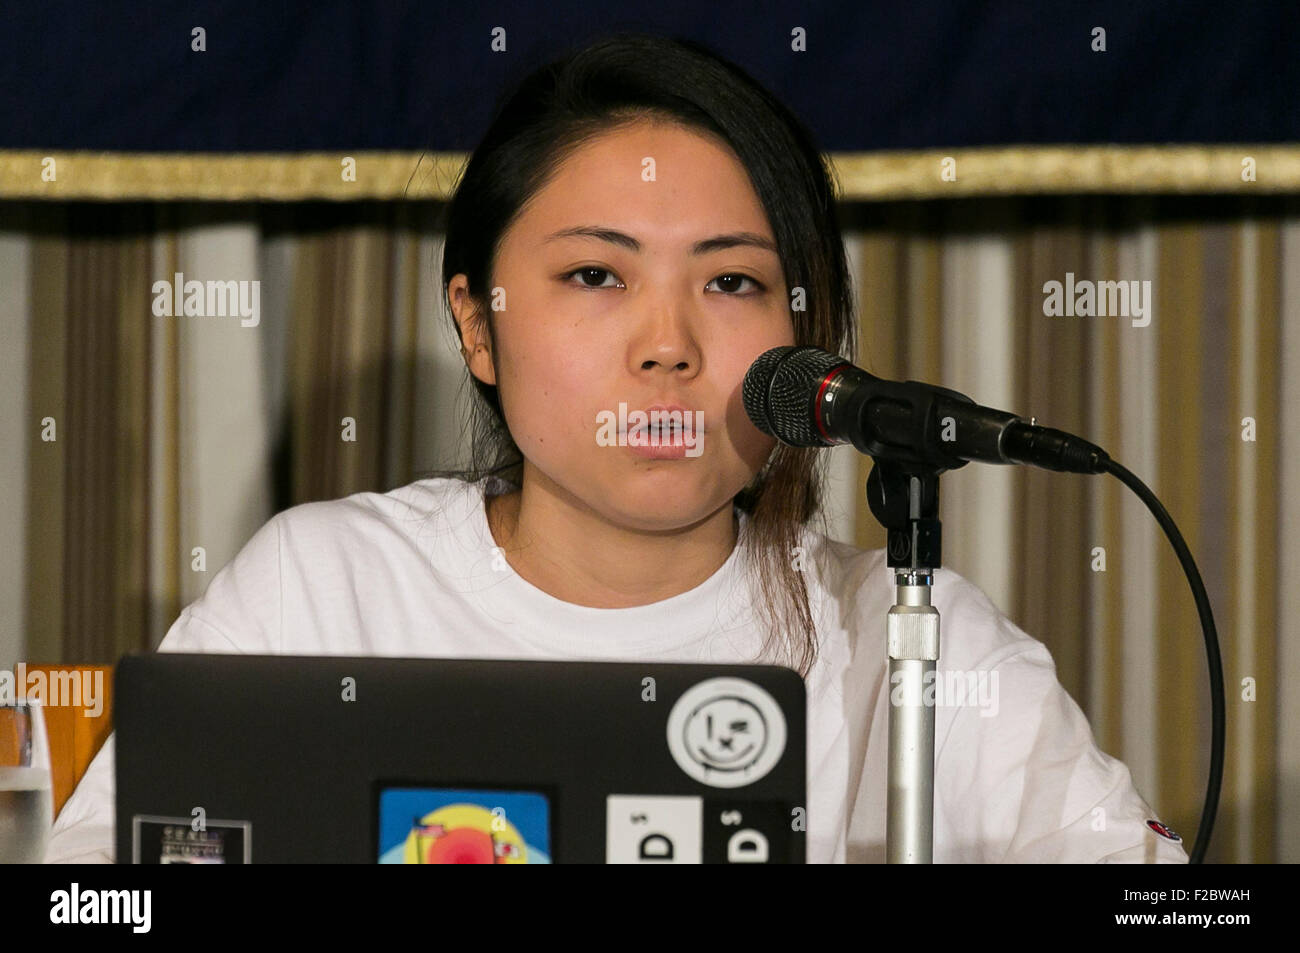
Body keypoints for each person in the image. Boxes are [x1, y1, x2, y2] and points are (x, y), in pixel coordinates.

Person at [45, 32, 1186, 864]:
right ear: (478, 325)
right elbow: (94, 895)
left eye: (731, 280)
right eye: (597, 275)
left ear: (806, 335)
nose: (668, 345)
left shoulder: (912, 633)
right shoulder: (323, 589)